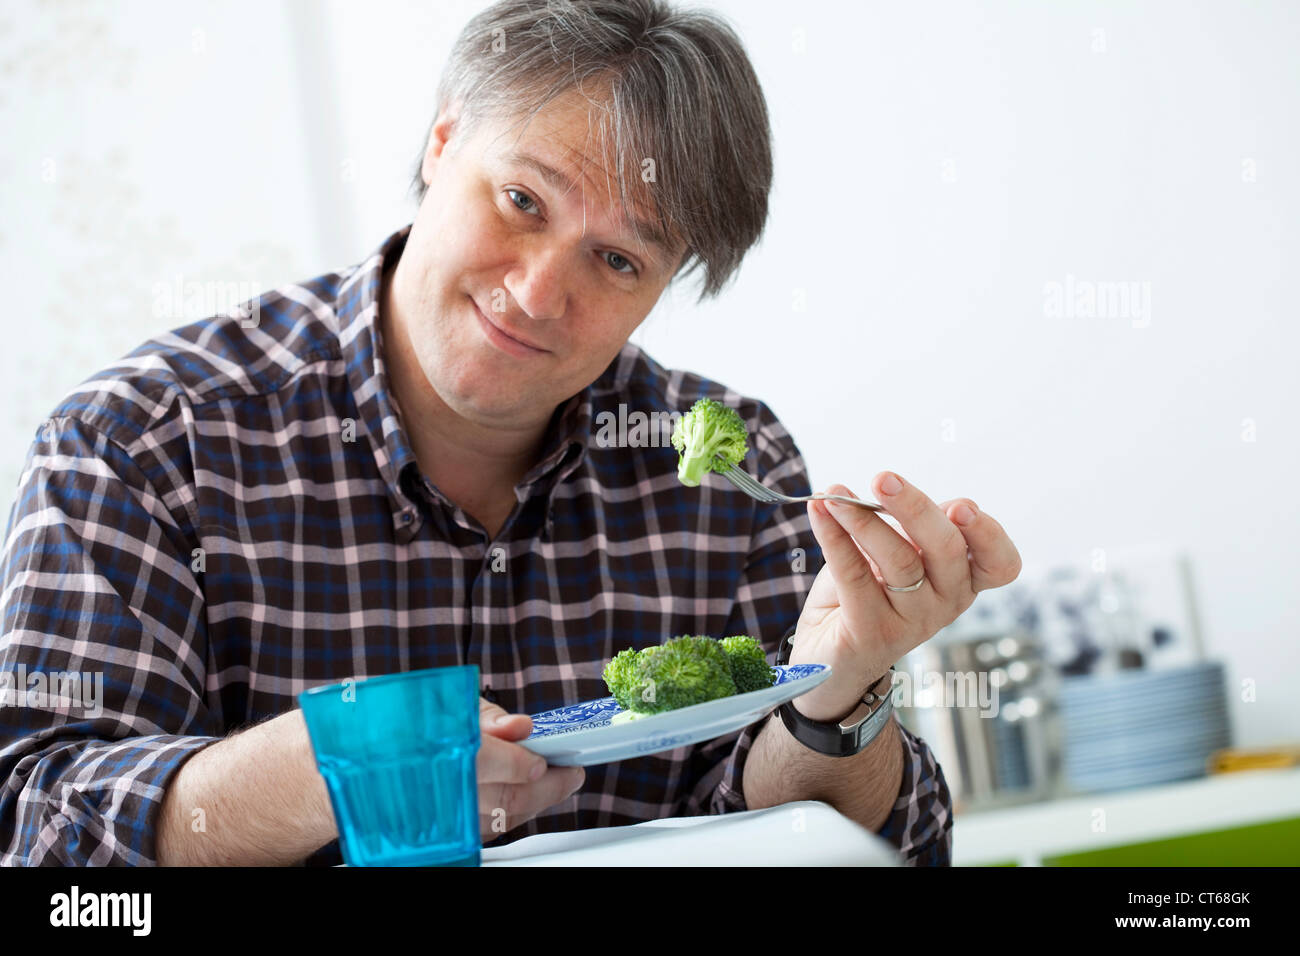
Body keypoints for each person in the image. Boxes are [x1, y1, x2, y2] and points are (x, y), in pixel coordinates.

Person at [0, 0, 1019, 867]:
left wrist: (835, 699)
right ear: (444, 142)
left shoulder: (724, 471)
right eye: (522, 199)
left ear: (668, 288)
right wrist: (338, 766)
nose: (537, 293)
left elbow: (866, 843)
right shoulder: (142, 441)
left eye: (618, 261)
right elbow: (37, 824)